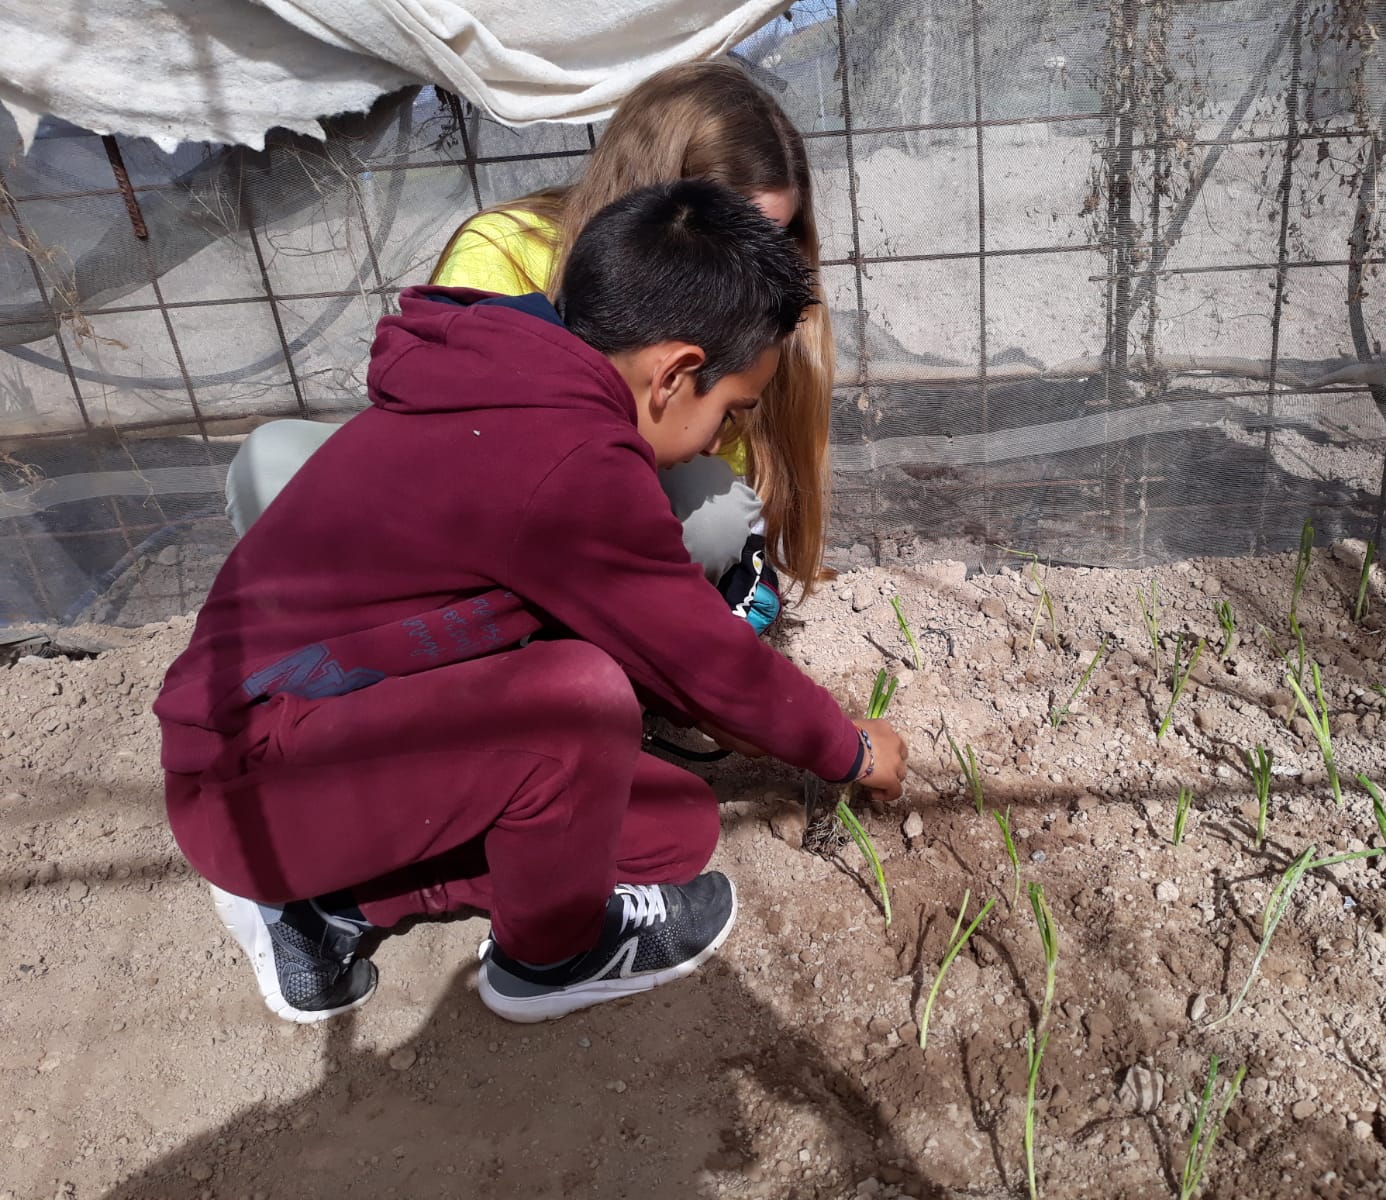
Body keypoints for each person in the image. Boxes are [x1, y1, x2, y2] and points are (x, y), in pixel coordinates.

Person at [154, 180, 909, 1026]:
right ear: (675, 376)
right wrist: (846, 750)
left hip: (342, 742)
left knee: (672, 829)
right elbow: (704, 657)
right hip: (250, 784)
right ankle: (548, 961)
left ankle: (335, 908)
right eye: (729, 411)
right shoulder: (567, 460)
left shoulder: (520, 373)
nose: (720, 440)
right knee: (576, 700)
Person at [227, 62, 832, 635]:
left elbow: (712, 466)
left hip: (609, 526)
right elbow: (451, 451)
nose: (763, 267)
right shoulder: (508, 251)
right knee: (273, 456)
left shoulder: (756, 320)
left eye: (778, 240)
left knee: (715, 508)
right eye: (739, 235)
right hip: (481, 512)